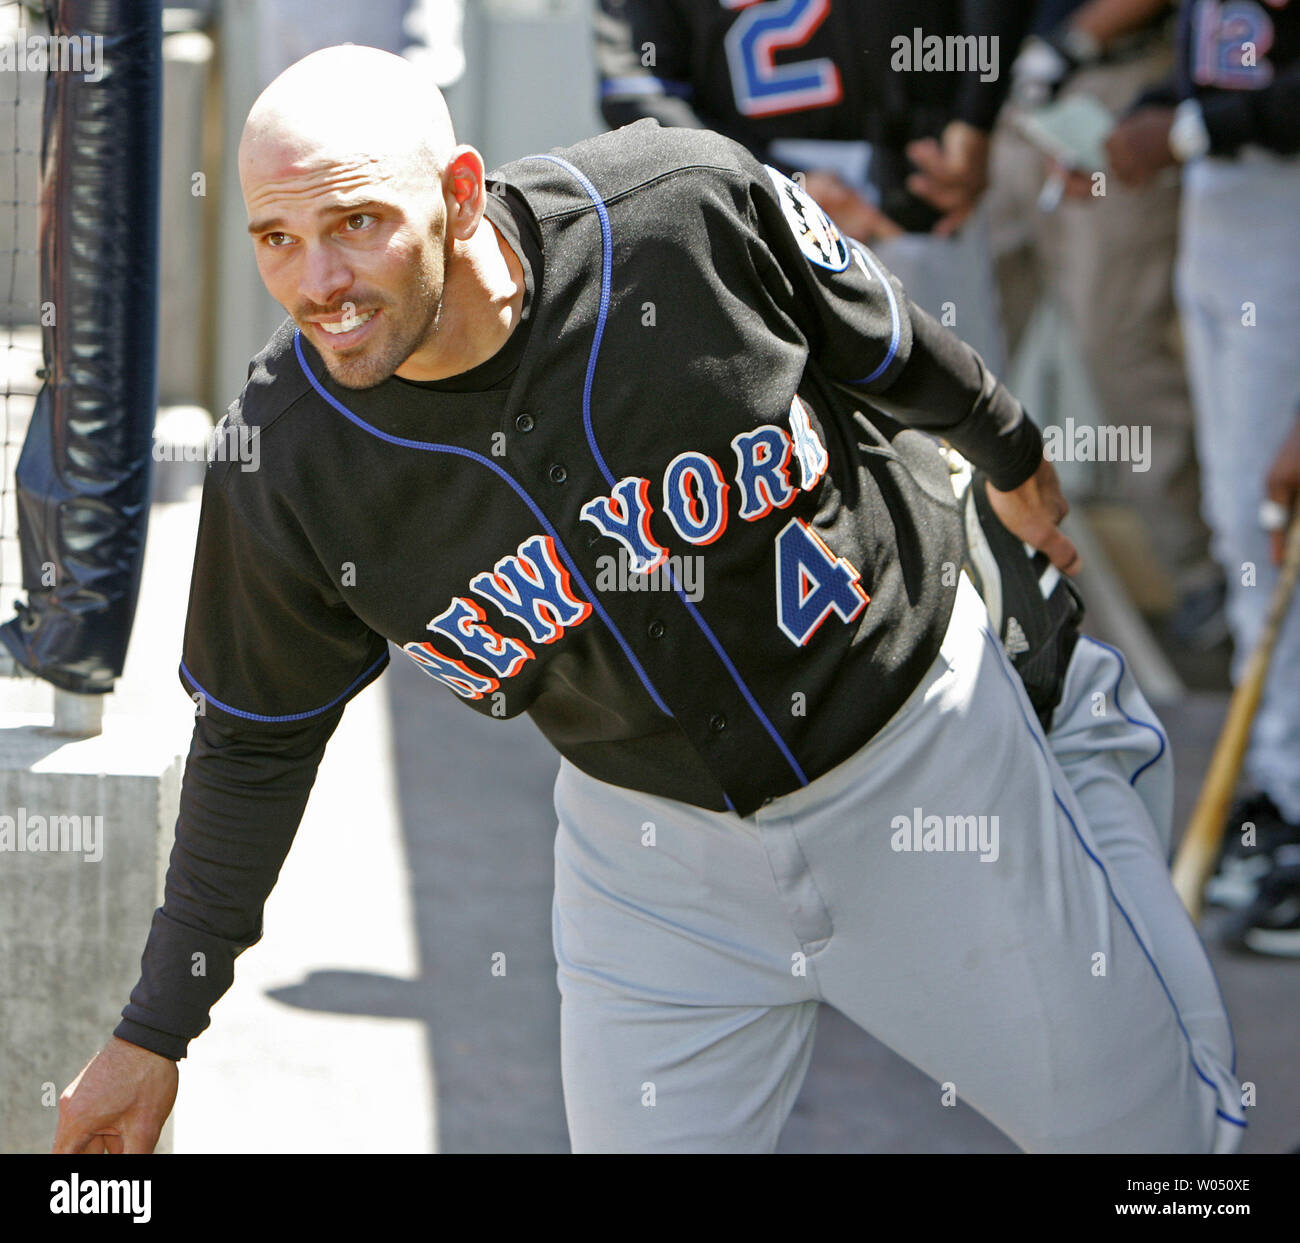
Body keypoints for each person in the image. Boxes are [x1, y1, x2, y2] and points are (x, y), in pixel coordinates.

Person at [53, 45, 1242, 1154]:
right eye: (276, 237)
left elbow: (877, 340)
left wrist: (1009, 449)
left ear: (460, 191)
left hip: (918, 757)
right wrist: (157, 1028)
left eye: (358, 221)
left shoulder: (675, 208)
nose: (319, 282)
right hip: (650, 861)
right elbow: (255, 747)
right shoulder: (290, 456)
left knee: (1164, 1154)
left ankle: (1065, 731)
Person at [1104, 0, 1300, 942]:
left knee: (1277, 519)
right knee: (1239, 521)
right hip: (1223, 217)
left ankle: (1295, 800)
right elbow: (1220, 60)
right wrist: (1153, 106)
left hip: (1283, 206)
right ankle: (1275, 778)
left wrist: (1188, 126)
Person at [594, 0, 1036, 373]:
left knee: (950, 443)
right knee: (778, 438)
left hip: (910, 181)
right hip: (753, 210)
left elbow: (634, 87)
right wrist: (771, 183)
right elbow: (635, 86)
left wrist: (975, 121)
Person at [989, 0, 1221, 647]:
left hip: (1107, 86)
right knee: (956, 338)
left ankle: (1204, 572)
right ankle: (966, 561)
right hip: (988, 99)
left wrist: (1072, 44)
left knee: (1114, 344)